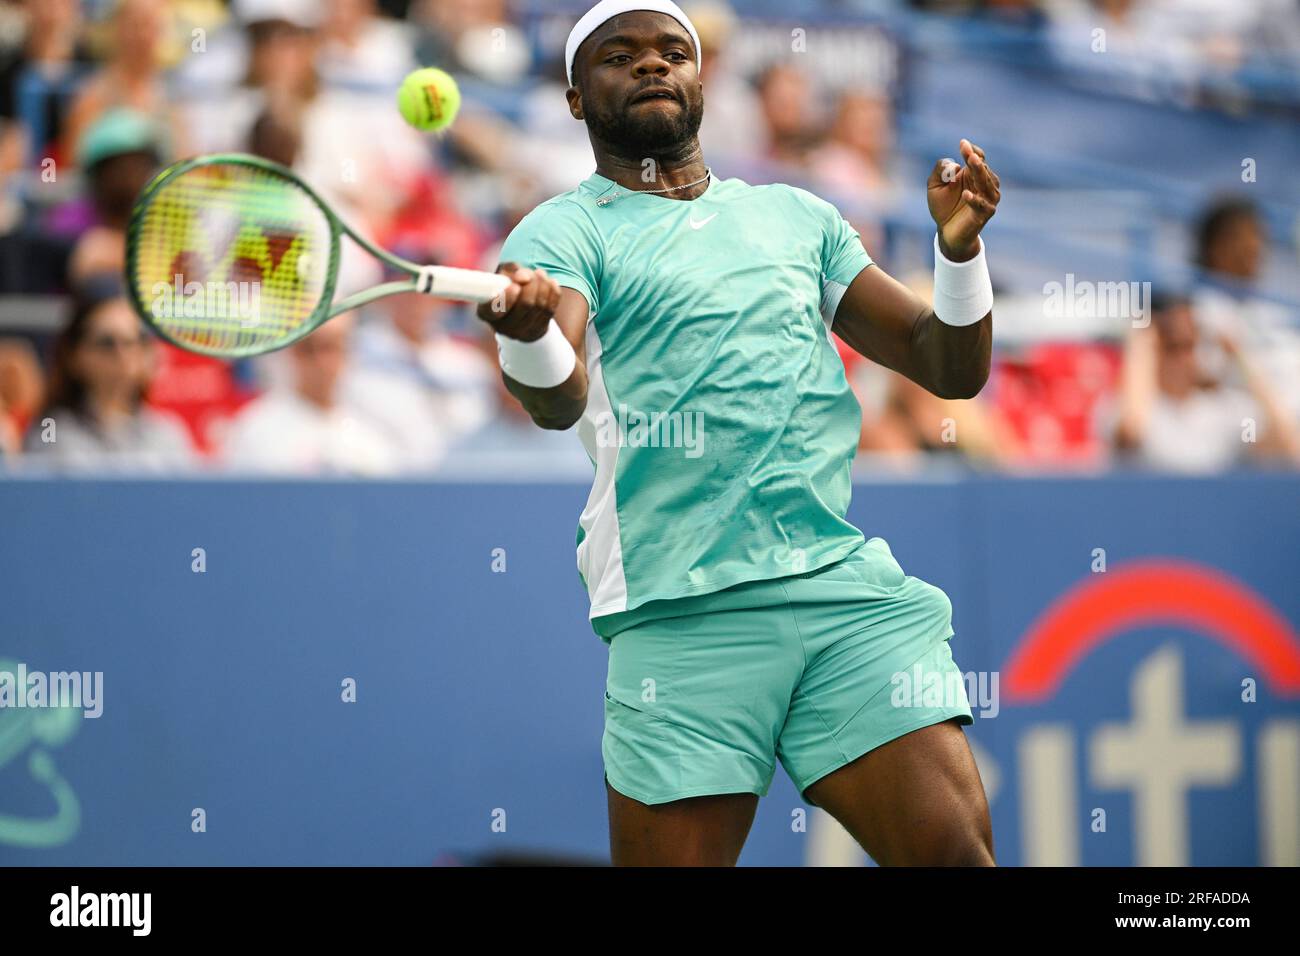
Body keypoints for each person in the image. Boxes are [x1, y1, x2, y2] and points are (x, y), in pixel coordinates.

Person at [476, 0, 1000, 866]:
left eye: (671, 51)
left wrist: (958, 254)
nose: (652, 65)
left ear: (701, 77)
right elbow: (556, 400)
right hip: (681, 616)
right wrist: (529, 333)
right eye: (620, 55)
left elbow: (947, 366)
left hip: (841, 594)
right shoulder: (564, 230)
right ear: (575, 99)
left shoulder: (800, 218)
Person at [1108, 294, 1300, 472]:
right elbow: (1131, 433)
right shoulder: (1127, 408)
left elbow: (1286, 445)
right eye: (1173, 346)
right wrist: (1142, 342)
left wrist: (1240, 356)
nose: (1184, 358)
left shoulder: (1228, 412)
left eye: (1191, 344)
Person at [22, 278, 194, 472]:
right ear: (74, 353)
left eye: (133, 341)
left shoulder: (166, 433)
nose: (123, 355)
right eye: (107, 343)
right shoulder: (50, 427)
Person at [222, 314, 397, 476]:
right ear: (290, 352)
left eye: (331, 347)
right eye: (308, 349)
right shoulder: (254, 432)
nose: (321, 362)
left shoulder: (372, 437)